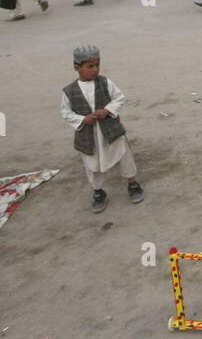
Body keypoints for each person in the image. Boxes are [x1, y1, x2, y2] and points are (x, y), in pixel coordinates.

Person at [59, 45, 145, 213]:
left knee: (123, 154)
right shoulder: (69, 91)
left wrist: (107, 110)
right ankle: (98, 192)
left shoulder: (105, 82)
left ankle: (132, 183)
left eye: (97, 65)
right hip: (88, 135)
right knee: (92, 163)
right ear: (77, 67)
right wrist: (83, 119)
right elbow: (65, 112)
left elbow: (119, 98)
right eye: (90, 66)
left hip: (110, 130)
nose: (95, 69)